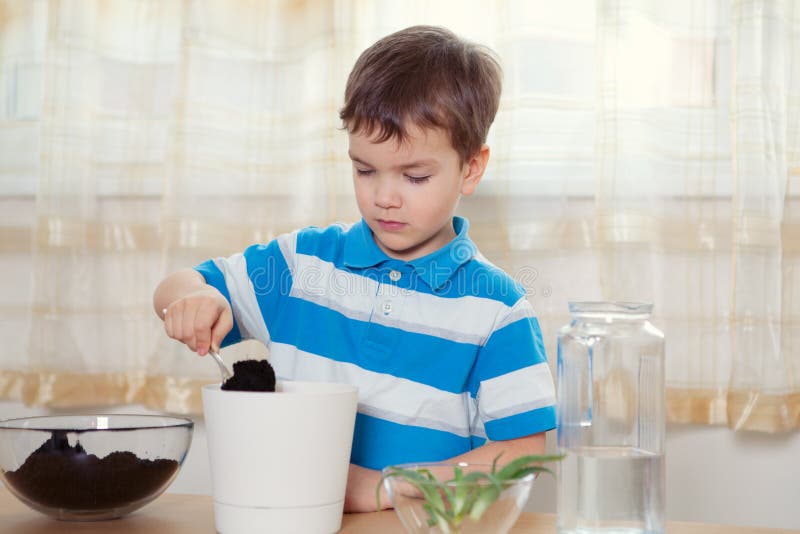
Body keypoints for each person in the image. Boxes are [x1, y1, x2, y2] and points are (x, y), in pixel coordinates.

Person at [153, 25, 556, 512]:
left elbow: (522, 453)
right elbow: (180, 286)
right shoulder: (301, 265)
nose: (383, 196)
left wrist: (386, 485)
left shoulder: (497, 311)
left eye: (414, 176)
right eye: (364, 170)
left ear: (471, 168)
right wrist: (197, 300)